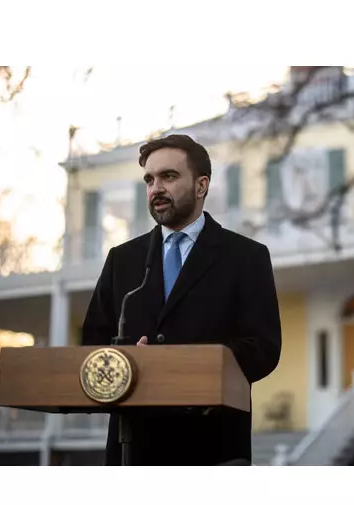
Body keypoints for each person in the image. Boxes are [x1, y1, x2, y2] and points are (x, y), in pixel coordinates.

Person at [81, 134, 282, 466]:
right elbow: (92, 343)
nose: (156, 188)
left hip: (211, 446)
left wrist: (181, 365)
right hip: (133, 448)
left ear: (201, 186)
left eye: (169, 177)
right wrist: (130, 362)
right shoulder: (122, 260)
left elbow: (263, 348)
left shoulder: (247, 257)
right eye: (149, 179)